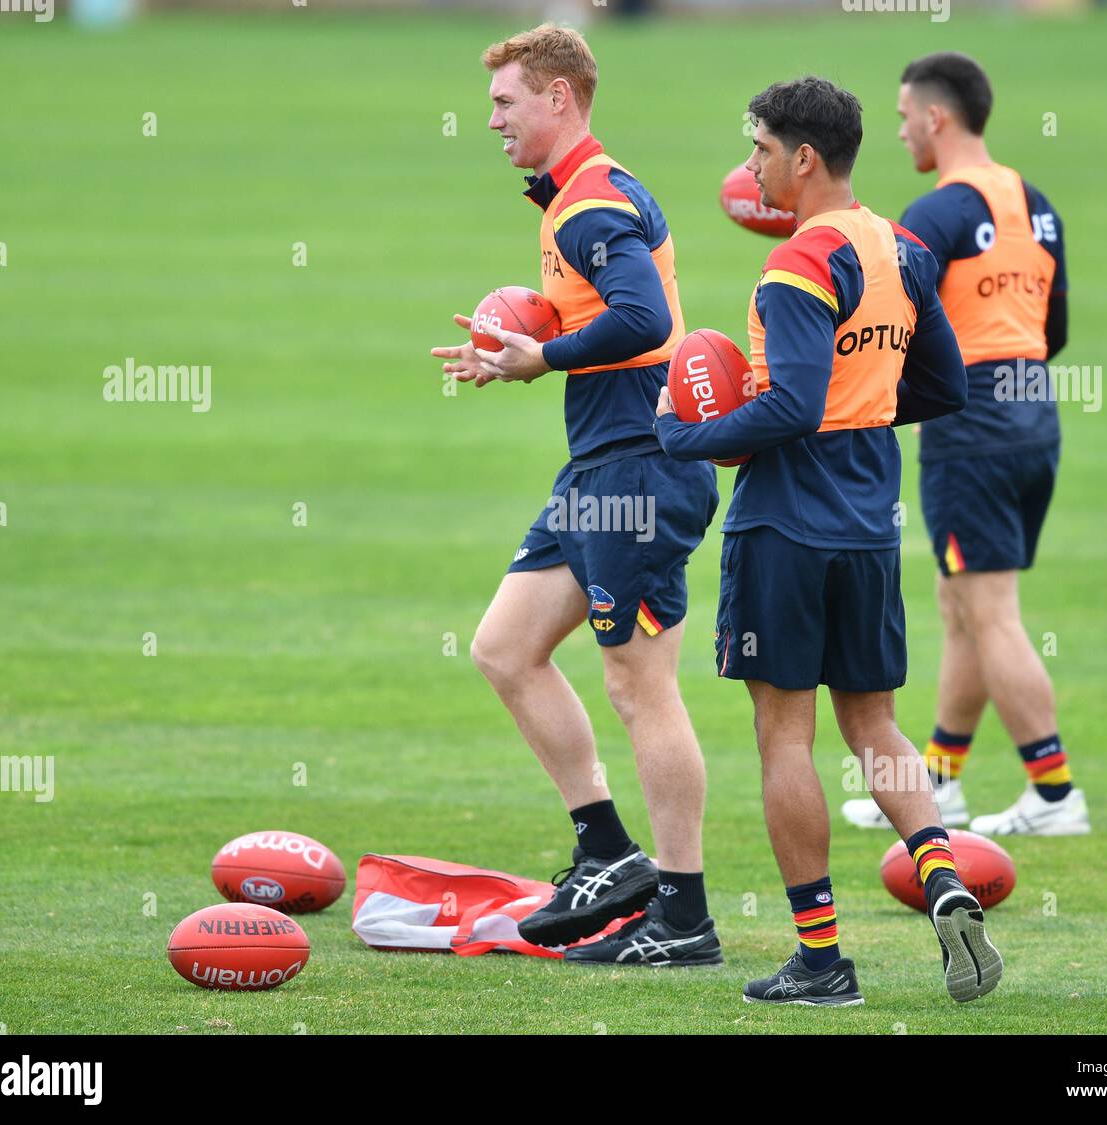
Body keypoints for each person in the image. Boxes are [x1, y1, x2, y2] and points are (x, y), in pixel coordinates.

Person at [654, 76, 1001, 1005]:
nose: (751, 164)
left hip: (785, 527)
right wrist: (866, 410)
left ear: (804, 157)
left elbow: (790, 405)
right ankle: (942, 875)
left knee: (783, 738)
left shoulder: (799, 264)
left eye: (759, 146)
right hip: (868, 527)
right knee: (875, 724)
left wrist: (685, 436)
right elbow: (944, 388)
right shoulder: (901, 246)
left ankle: (820, 959)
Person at [431, 25, 722, 965]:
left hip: (639, 464)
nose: (492, 120)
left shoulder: (589, 209)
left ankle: (684, 918)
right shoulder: (585, 196)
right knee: (506, 647)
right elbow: (615, 312)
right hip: (598, 468)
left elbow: (644, 317)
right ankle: (606, 850)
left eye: (506, 102)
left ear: (560, 99)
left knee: (641, 684)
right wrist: (517, 351)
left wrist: (542, 355)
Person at [842, 52, 1089, 837]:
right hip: (1031, 417)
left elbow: (892, 310)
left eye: (904, 115)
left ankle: (1054, 794)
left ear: (936, 118)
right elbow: (1053, 331)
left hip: (972, 427)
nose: (902, 129)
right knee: (963, 606)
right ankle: (940, 781)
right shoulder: (1037, 203)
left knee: (990, 611)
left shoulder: (936, 212)